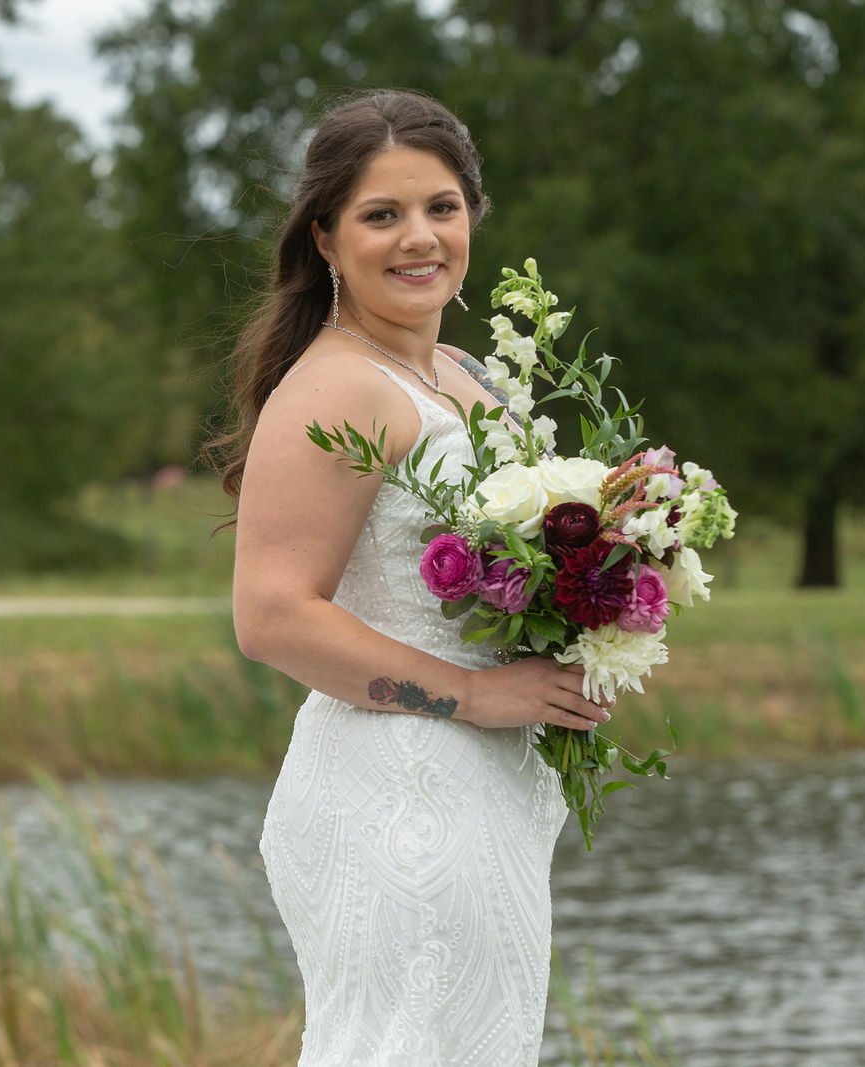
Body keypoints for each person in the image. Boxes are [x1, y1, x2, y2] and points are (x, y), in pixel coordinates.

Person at [215, 90, 610, 1065]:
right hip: (403, 797)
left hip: (483, 792)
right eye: (380, 215)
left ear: (473, 212)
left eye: (440, 206)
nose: (418, 237)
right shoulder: (338, 384)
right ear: (324, 237)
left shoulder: (465, 374)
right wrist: (477, 691)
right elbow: (270, 615)